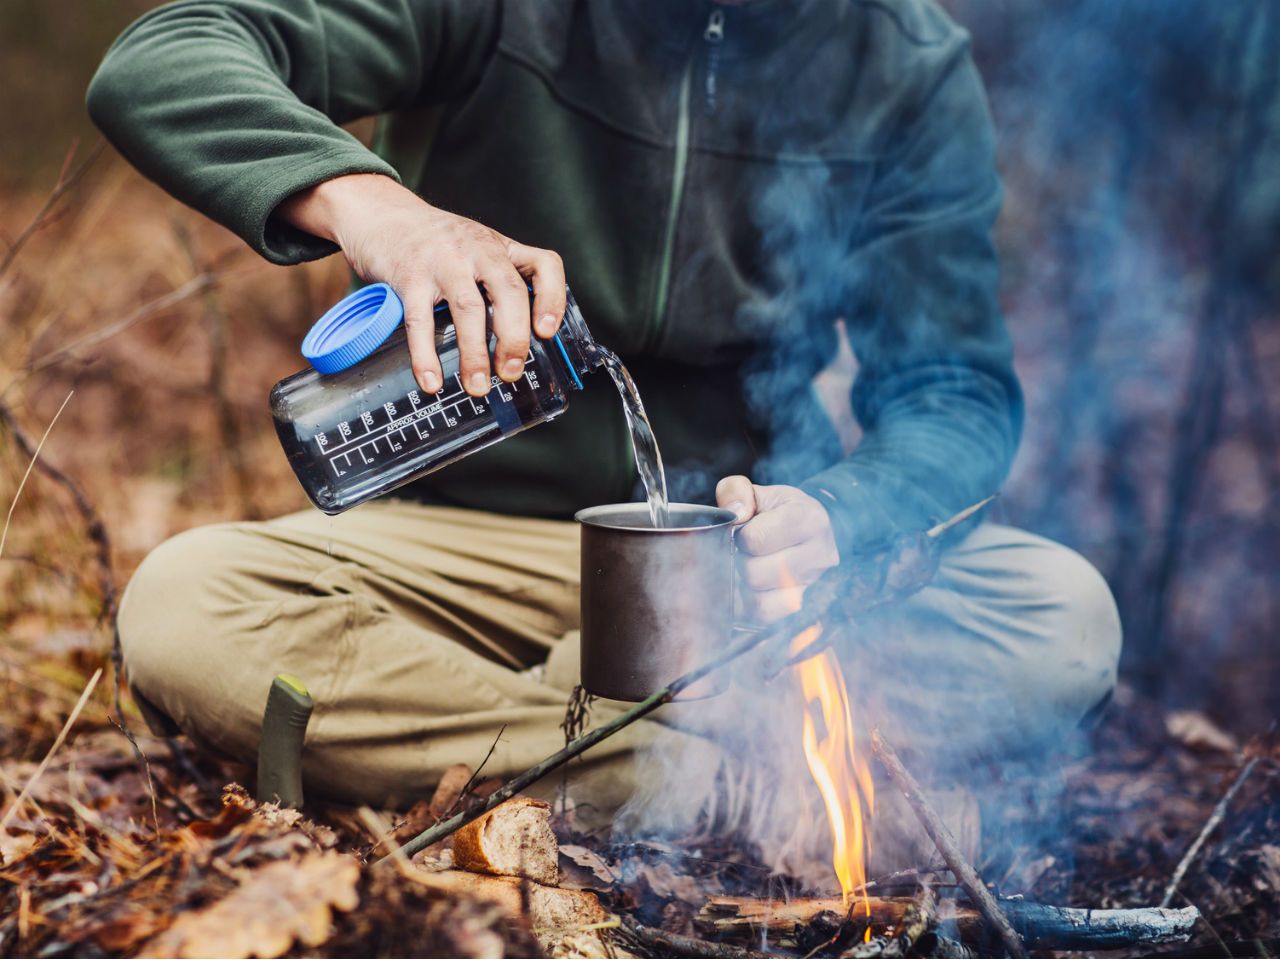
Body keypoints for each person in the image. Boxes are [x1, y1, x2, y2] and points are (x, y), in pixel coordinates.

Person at [88, 0, 1121, 823]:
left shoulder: (903, 64)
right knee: (186, 604)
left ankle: (531, 736)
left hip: (731, 580)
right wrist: (378, 209)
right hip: (460, 557)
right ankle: (708, 785)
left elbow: (952, 391)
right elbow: (167, 56)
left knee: (1059, 617)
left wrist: (842, 518)